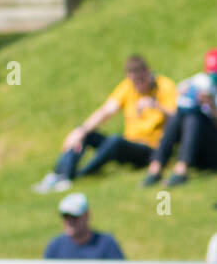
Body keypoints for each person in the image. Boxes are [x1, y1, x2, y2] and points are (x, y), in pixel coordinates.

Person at [32, 55, 178, 192]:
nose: (139, 85)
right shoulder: (128, 87)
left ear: (148, 72)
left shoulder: (165, 86)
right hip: (129, 143)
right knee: (85, 134)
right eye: (135, 82)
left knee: (115, 141)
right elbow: (106, 111)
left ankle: (79, 175)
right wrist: (81, 131)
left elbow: (177, 117)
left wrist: (155, 105)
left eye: (142, 80)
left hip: (151, 149)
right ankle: (60, 173)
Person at [143, 48, 217, 188]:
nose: (215, 75)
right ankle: (156, 165)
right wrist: (182, 95)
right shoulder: (199, 83)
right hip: (200, 148)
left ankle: (182, 169)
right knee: (183, 112)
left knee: (194, 116)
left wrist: (213, 108)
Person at [43, 192, 124, 260]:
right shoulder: (56, 246)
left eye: (74, 217)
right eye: (65, 217)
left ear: (87, 215)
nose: (69, 222)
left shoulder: (106, 244)